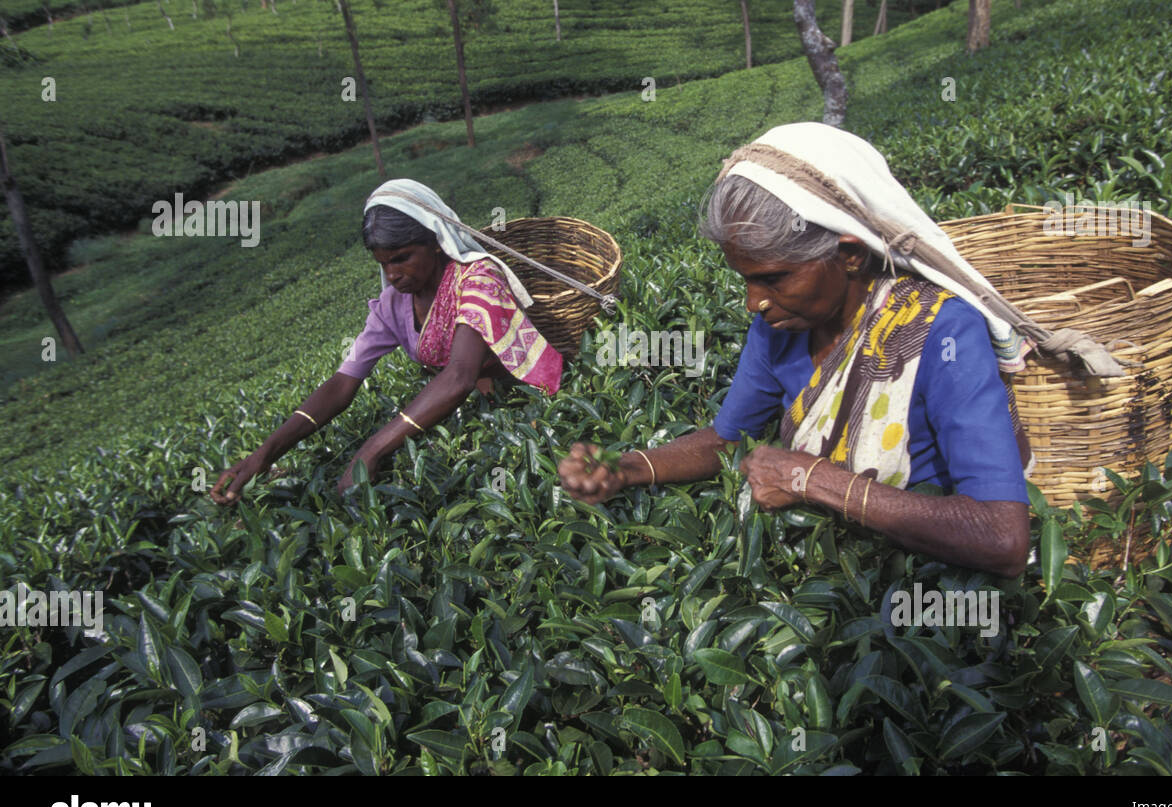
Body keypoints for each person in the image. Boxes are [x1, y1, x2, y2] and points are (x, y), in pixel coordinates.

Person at [558, 123, 1035, 578]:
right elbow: (727, 438)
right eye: (745, 280)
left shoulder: (943, 331)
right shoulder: (779, 329)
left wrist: (814, 480)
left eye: (773, 278)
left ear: (849, 254)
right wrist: (624, 468)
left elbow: (1002, 537)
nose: (753, 303)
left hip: (922, 572)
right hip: (825, 561)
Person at [212, 179, 563, 503]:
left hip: (522, 406)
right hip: (460, 415)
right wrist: (263, 455)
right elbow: (342, 383)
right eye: (383, 264)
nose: (393, 275)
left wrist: (371, 450)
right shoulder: (394, 304)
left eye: (402, 258)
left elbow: (459, 376)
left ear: (435, 242)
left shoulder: (478, 280)